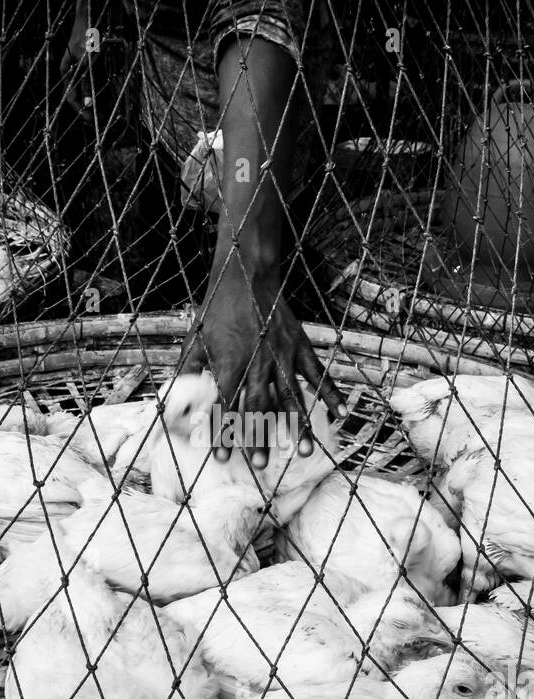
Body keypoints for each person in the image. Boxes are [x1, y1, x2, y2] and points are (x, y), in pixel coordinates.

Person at [62, 0, 346, 468]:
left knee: (260, 351)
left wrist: (247, 263)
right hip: (170, 135)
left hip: (259, 159)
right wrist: (87, 16)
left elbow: (260, 14)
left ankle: (267, 439)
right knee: (178, 309)